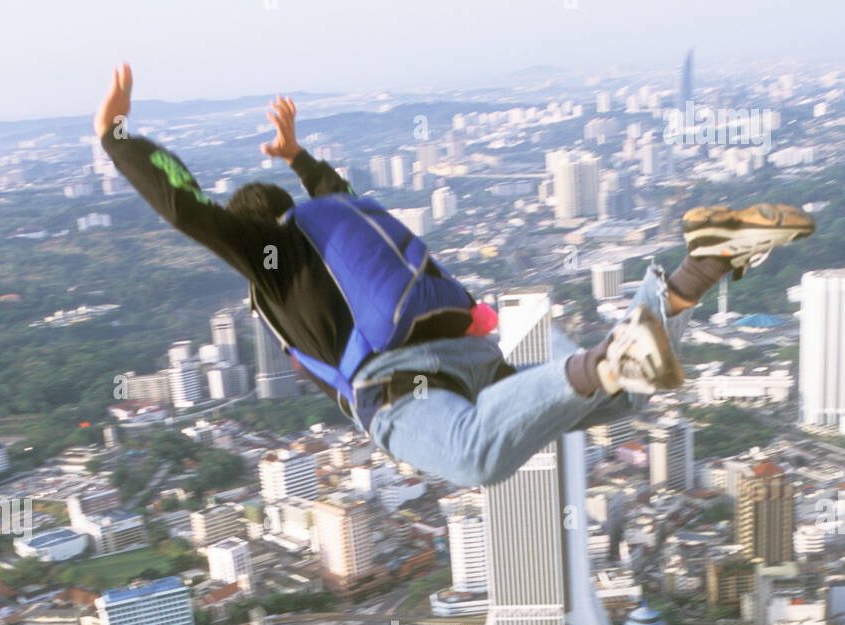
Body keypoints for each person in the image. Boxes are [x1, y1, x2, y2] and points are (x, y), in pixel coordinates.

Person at [95, 64, 815, 490]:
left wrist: (118, 140)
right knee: (621, 399)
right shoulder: (327, 217)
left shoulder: (270, 258)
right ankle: (703, 263)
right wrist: (297, 156)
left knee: (478, 458)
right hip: (469, 360)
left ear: (255, 229)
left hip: (403, 384)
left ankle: (610, 357)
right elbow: (329, 187)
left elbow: (182, 206)